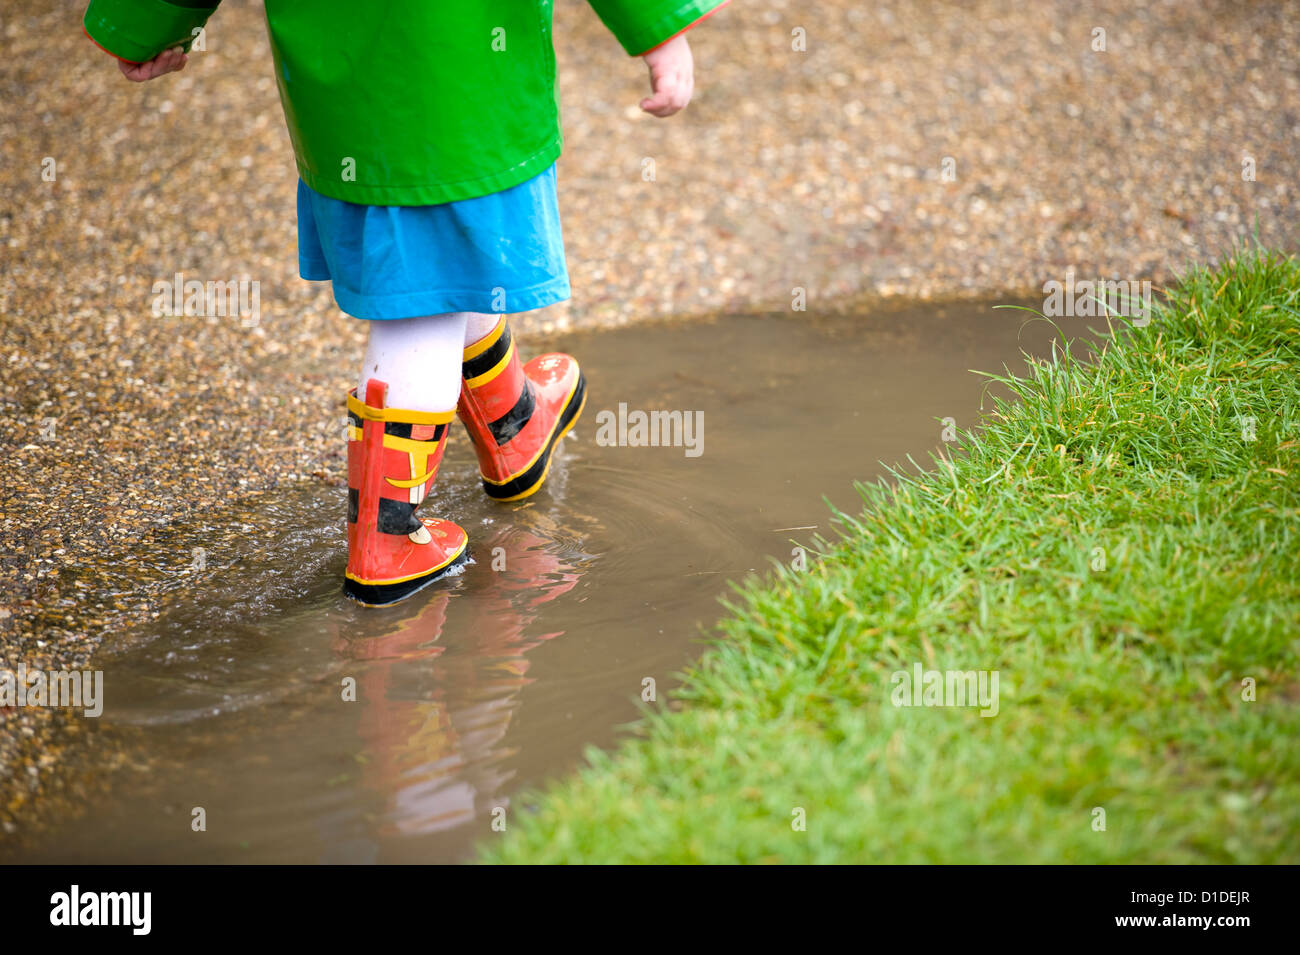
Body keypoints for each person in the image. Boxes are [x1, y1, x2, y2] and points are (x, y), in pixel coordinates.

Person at [82, 0, 729, 605]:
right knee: (419, 306)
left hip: (346, 102)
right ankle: (386, 538)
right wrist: (659, 26)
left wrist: (144, 20)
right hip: (460, 92)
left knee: (446, 266)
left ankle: (514, 422)